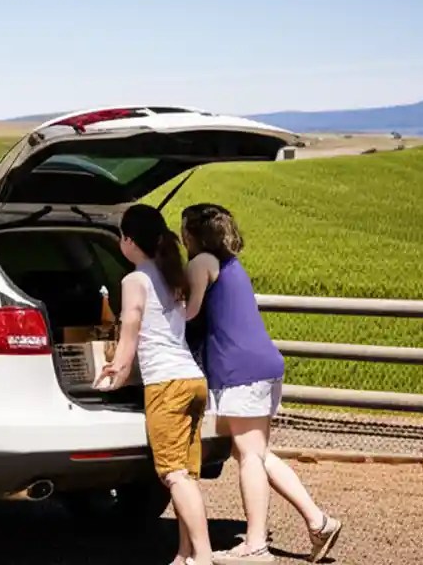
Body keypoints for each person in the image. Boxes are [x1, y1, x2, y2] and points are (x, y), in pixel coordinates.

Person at [181, 203, 342, 564]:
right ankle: (319, 522)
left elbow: (189, 313)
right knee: (255, 452)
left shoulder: (200, 263)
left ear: (191, 233)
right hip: (265, 365)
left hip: (239, 370)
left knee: (249, 454)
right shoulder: (232, 265)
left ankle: (255, 545)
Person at [96, 204, 212, 565]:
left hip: (167, 385)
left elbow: (130, 325)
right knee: (187, 476)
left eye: (121, 237)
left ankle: (204, 558)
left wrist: (117, 367)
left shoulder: (135, 280)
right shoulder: (170, 274)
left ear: (129, 241)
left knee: (173, 475)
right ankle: (184, 553)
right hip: (193, 381)